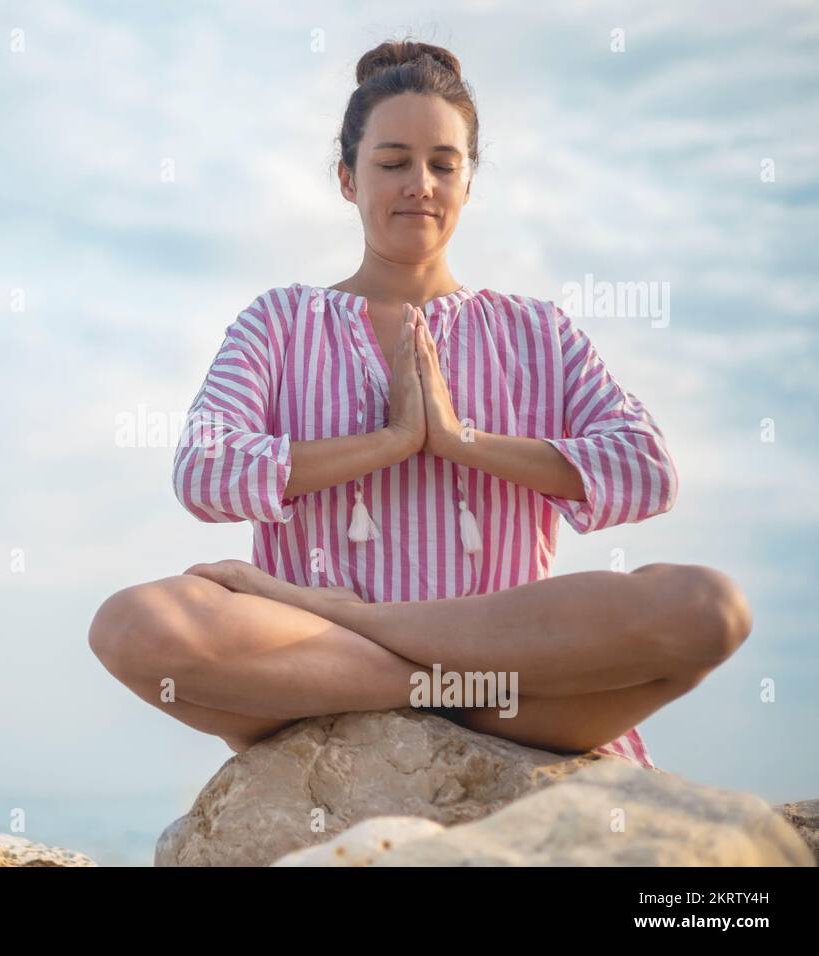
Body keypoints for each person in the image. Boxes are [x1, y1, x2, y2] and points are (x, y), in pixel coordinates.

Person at [88, 39, 751, 767]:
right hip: (354, 675)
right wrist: (393, 440)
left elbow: (646, 469)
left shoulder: (537, 331)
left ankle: (366, 626)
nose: (421, 184)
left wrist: (461, 441)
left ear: (470, 182)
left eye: (444, 164)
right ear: (347, 178)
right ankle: (427, 679)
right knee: (133, 626)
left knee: (709, 608)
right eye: (393, 162)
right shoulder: (279, 321)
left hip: (510, 670)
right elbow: (205, 472)